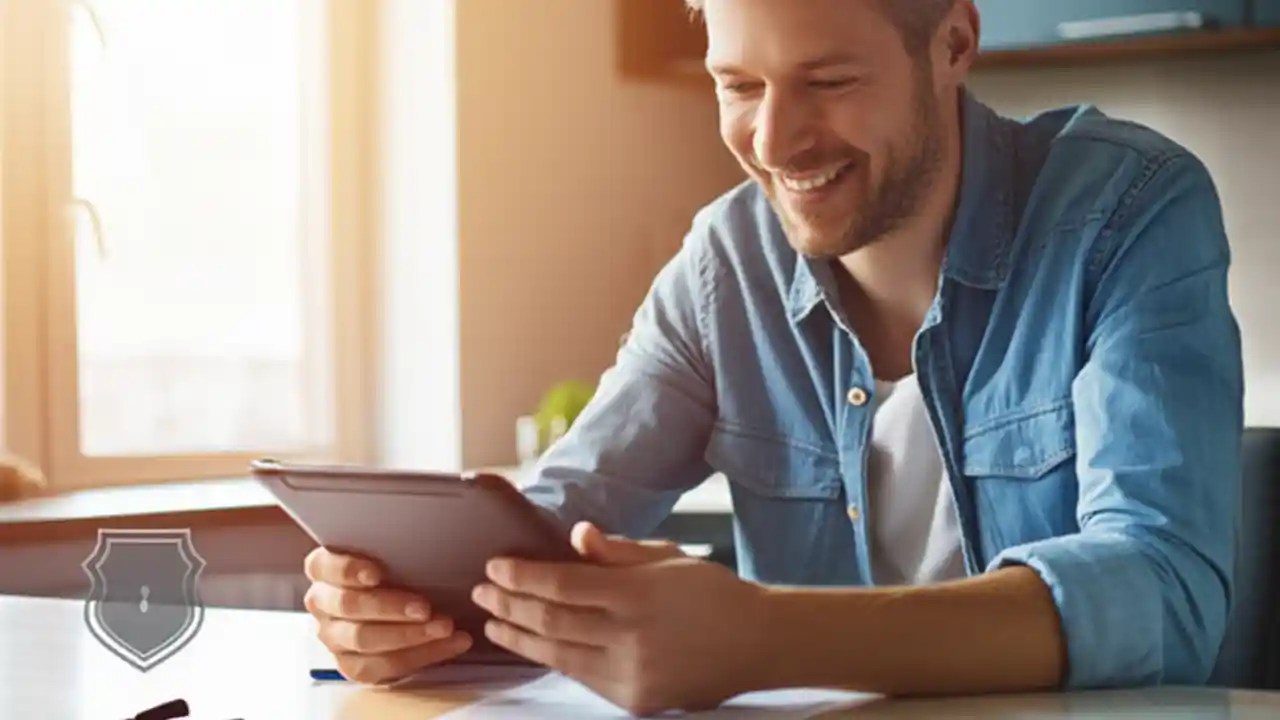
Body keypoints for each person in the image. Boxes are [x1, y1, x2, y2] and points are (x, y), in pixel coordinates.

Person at [301, 0, 1244, 713]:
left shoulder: (1128, 209)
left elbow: (1164, 594)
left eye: (829, 82)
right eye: (738, 85)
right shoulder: (724, 266)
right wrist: (413, 608)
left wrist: (762, 636)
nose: (774, 139)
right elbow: (552, 524)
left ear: (954, 42)